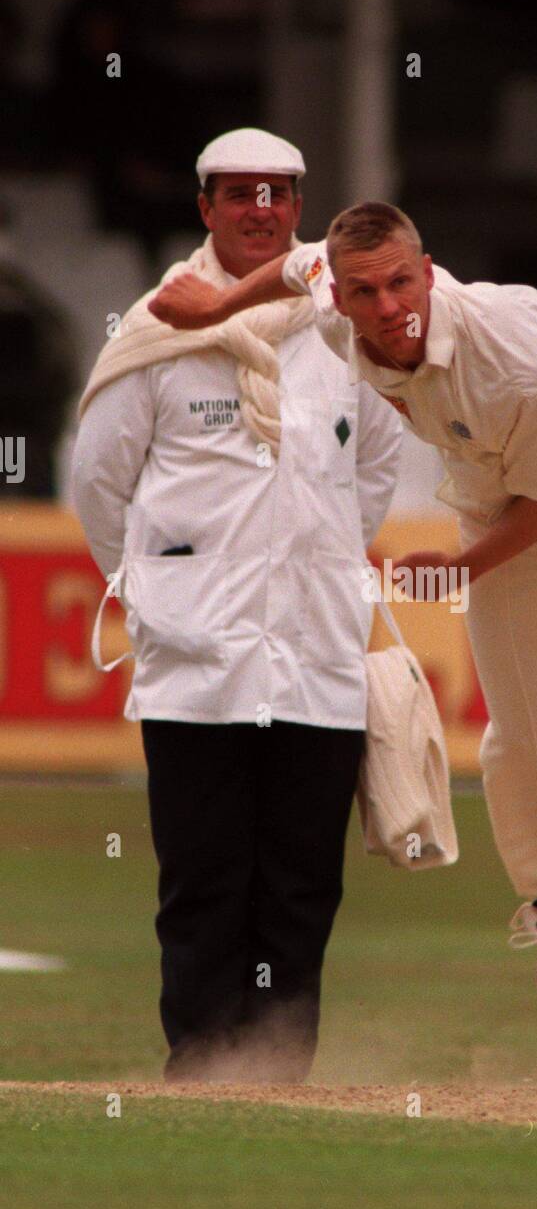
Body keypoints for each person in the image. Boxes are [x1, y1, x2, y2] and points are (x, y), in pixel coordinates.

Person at [148, 200, 537, 1039]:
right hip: (497, 504)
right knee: (519, 726)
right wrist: (214, 305)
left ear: (428, 269)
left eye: (401, 284)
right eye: (364, 291)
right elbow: (297, 261)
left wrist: (456, 567)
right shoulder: (331, 298)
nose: (387, 309)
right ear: (337, 297)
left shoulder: (505, 353)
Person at [72, 141, 401, 1082]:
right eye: (239, 195)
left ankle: (277, 1073)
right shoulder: (158, 325)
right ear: (207, 206)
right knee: (205, 882)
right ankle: (201, 1070)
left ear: (299, 204)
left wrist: (320, 561)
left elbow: (374, 465)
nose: (260, 209)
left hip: (316, 653)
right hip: (196, 659)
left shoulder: (342, 327)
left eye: (279, 193)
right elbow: (100, 481)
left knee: (302, 885)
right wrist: (155, 590)